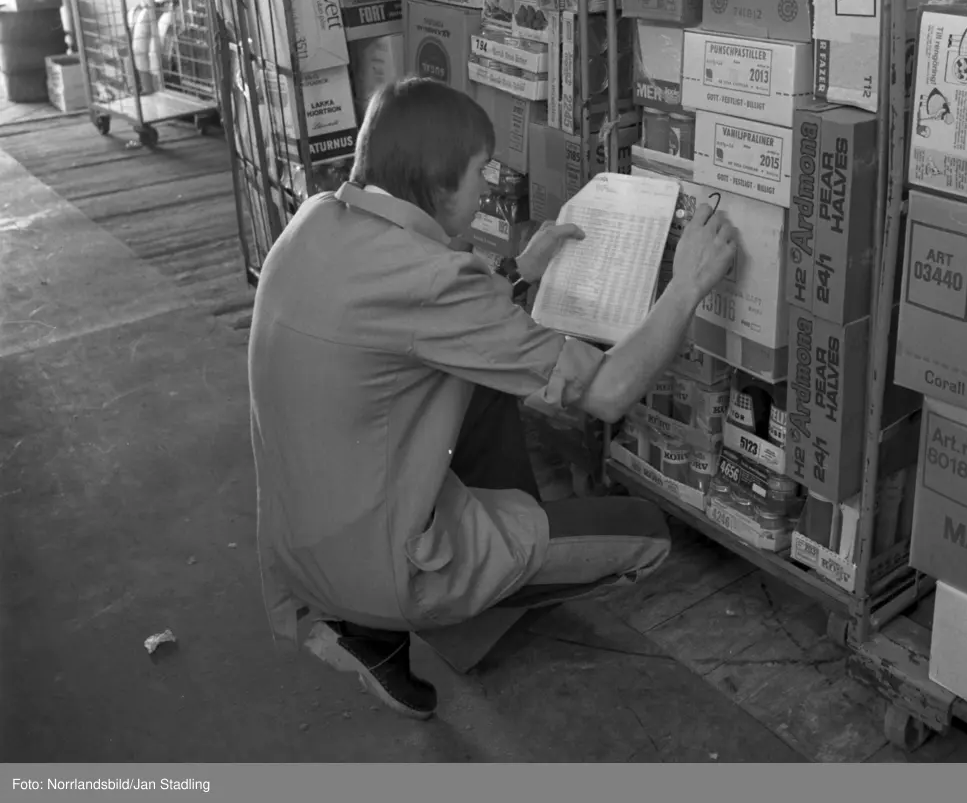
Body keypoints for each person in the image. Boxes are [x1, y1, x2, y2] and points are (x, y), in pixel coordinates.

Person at [248, 78, 738, 720]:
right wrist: (689, 283)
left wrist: (519, 275)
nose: (487, 184)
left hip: (301, 548)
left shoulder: (315, 223)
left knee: (479, 386)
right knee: (646, 535)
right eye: (481, 170)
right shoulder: (432, 279)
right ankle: (426, 608)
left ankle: (378, 623)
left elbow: (414, 327)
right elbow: (611, 393)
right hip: (384, 562)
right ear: (437, 180)